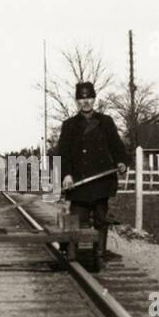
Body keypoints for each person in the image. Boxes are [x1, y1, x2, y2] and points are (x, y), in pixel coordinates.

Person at [55, 81, 128, 259]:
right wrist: (66, 175)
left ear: (94, 99)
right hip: (79, 182)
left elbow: (117, 147)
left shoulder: (106, 122)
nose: (85, 101)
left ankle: (100, 253)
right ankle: (73, 254)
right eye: (81, 98)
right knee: (76, 219)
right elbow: (62, 154)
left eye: (88, 97)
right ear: (76, 101)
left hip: (101, 181)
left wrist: (121, 162)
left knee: (101, 219)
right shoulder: (69, 125)